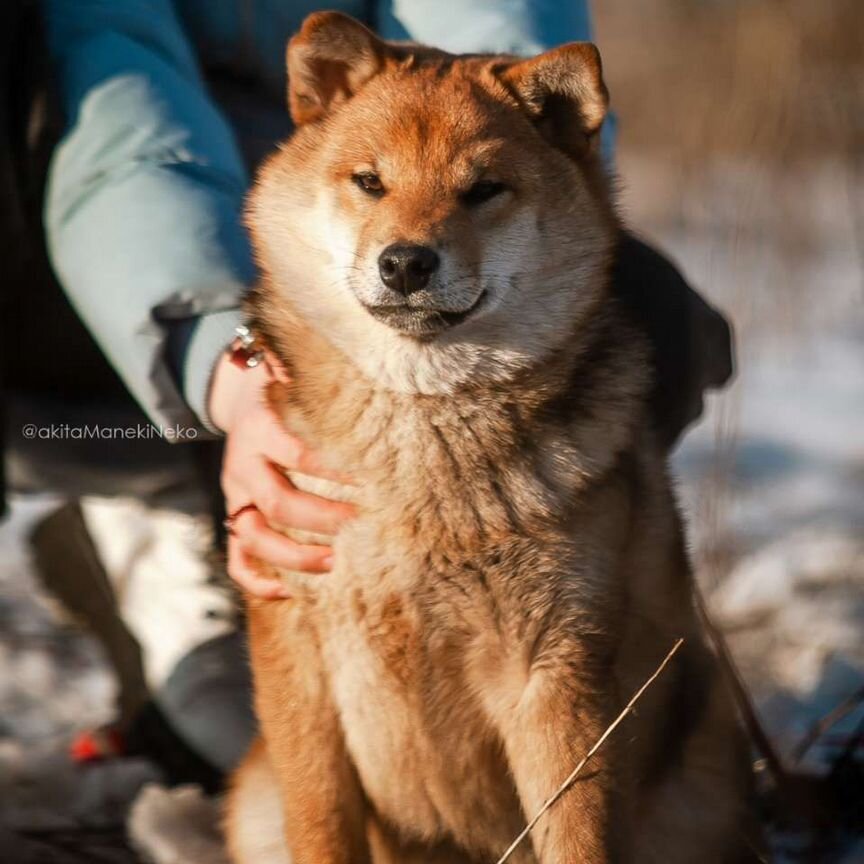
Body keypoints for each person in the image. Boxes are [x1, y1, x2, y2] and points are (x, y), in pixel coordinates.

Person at [35, 0, 731, 779]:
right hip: (114, 257)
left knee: (652, 312)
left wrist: (494, 111)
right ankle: (168, 506)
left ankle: (529, 604)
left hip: (389, 163)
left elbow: (500, 43)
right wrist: (221, 368)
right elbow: (125, 136)